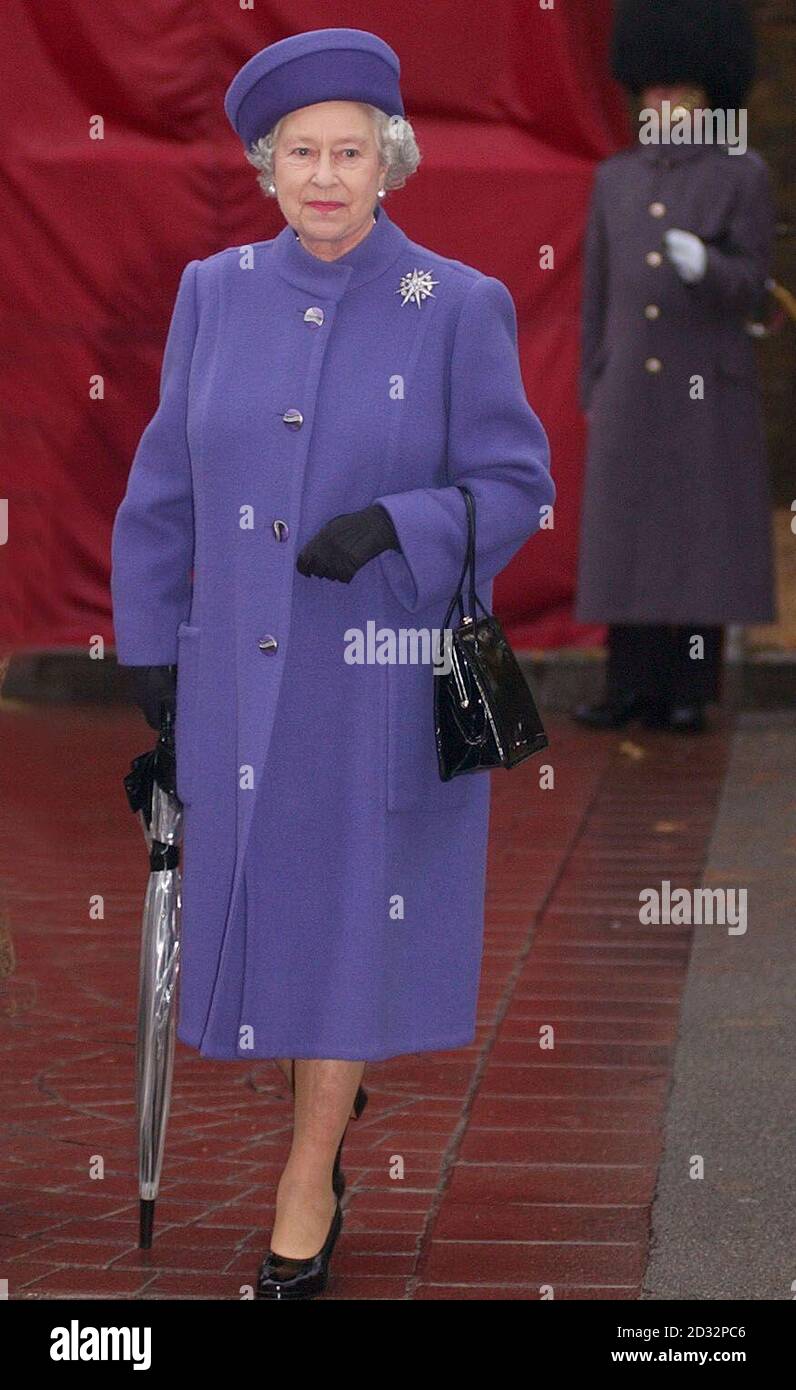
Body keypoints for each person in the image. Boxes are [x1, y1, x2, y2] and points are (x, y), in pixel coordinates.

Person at [110, 27, 554, 1298]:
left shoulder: (459, 303)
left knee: (353, 929)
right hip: (241, 686)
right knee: (276, 938)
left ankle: (305, 1182)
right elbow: (161, 488)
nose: (324, 175)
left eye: (350, 152)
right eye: (300, 152)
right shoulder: (215, 289)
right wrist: (151, 657)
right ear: (264, 164)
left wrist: (404, 526)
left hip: (375, 686)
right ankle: (325, 1110)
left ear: (390, 162)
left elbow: (518, 485)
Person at [573, 0, 777, 733]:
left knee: (698, 536)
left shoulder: (739, 175)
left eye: (680, 91)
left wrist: (712, 265)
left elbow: (757, 285)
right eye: (654, 90)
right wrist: (592, 379)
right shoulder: (615, 179)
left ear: (709, 98)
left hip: (705, 384)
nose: (664, 102)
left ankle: (690, 687)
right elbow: (596, 291)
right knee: (624, 537)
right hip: (628, 380)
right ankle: (630, 685)